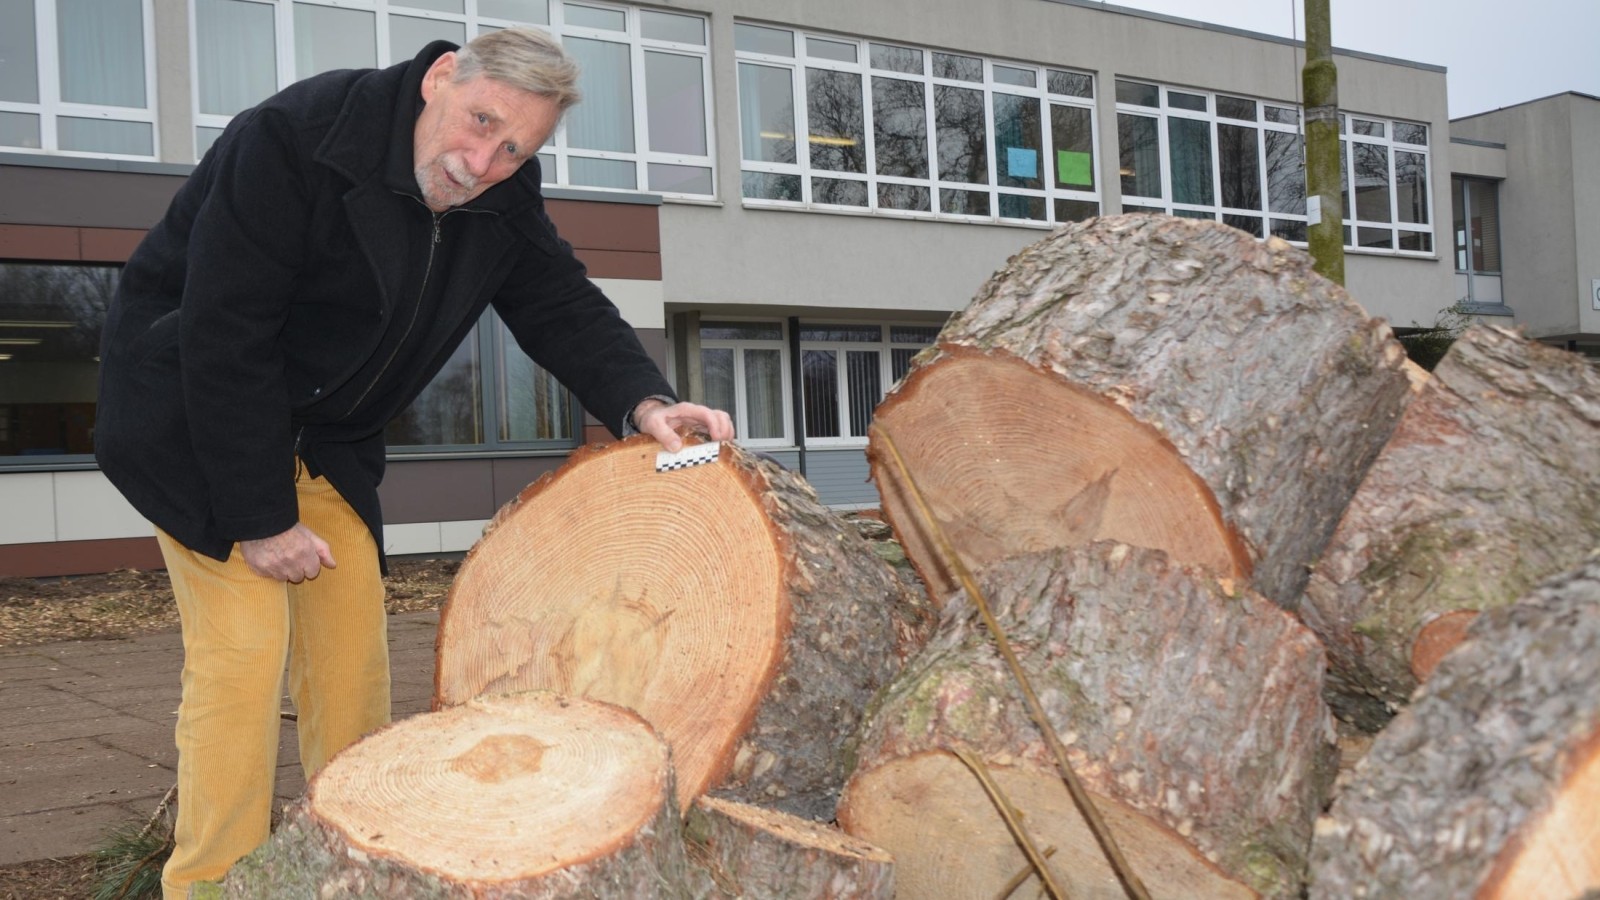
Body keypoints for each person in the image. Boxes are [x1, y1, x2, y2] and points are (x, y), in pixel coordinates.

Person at [93, 28, 732, 899]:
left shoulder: (502, 196)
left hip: (324, 438)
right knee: (242, 659)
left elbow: (558, 302)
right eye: (479, 123)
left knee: (352, 663)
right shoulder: (294, 141)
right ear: (439, 78)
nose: (482, 161)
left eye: (515, 148)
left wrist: (647, 402)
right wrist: (260, 519)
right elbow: (225, 334)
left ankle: (350, 864)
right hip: (196, 420)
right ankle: (209, 885)